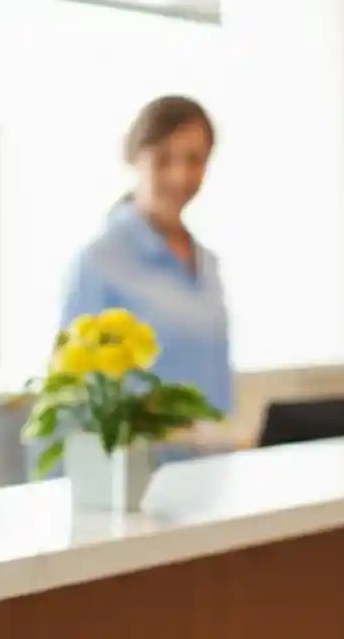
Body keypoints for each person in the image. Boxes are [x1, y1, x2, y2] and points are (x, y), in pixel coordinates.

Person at [59, 95, 232, 434]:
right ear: (135, 159)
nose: (180, 176)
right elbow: (73, 395)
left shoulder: (207, 265)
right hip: (140, 475)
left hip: (211, 468)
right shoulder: (100, 263)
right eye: (164, 159)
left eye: (194, 160)